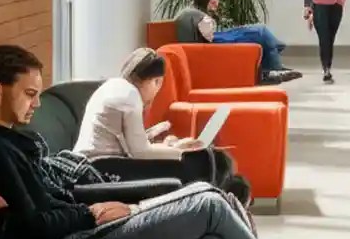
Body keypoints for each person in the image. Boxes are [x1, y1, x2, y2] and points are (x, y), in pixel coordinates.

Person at [0, 45, 350, 239]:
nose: (36, 104)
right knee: (208, 204)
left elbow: (60, 194)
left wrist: (108, 201)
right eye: (30, 94)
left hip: (77, 230)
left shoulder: (13, 136)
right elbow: (29, 226)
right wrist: (90, 213)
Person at [74, 48, 251, 204]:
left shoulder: (115, 87)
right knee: (202, 161)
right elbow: (140, 152)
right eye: (158, 84)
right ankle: (222, 204)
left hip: (98, 164)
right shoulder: (129, 95)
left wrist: (170, 146)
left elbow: (131, 147)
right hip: (100, 169)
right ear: (155, 81)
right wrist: (179, 151)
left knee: (201, 158)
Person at [175, 0, 301, 84]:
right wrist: (212, 19)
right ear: (206, 0)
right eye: (213, 3)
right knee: (259, 31)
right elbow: (208, 36)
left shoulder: (188, 12)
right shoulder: (200, 16)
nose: (215, 7)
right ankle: (275, 62)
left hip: (207, 41)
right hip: (212, 42)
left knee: (256, 31)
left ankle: (275, 54)